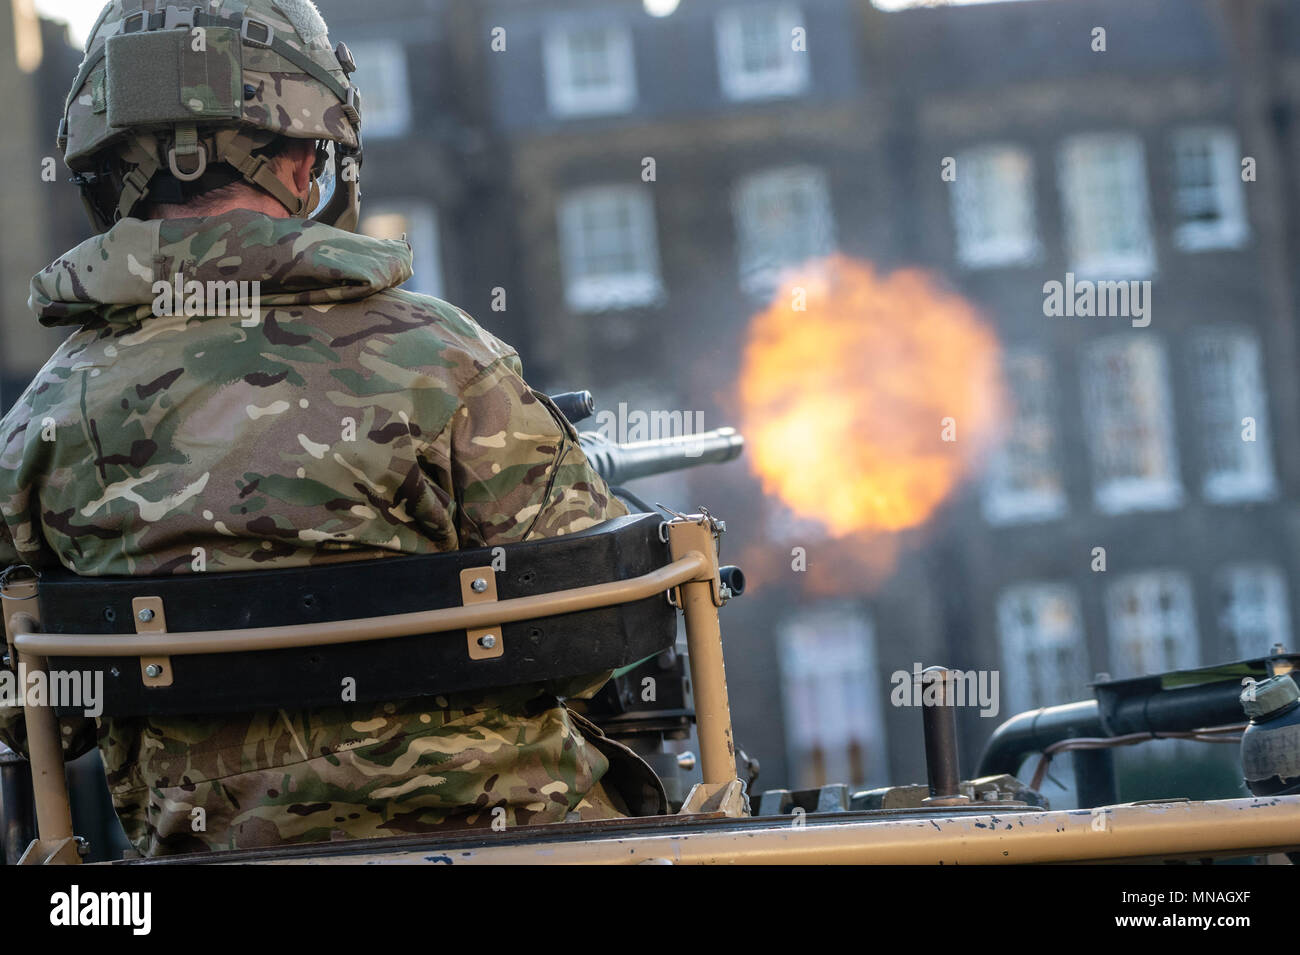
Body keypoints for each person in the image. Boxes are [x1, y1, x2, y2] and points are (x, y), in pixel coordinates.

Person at [0, 0, 662, 857]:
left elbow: (27, 712)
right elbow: (596, 637)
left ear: (104, 166)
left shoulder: (37, 424)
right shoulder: (446, 358)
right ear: (309, 157)